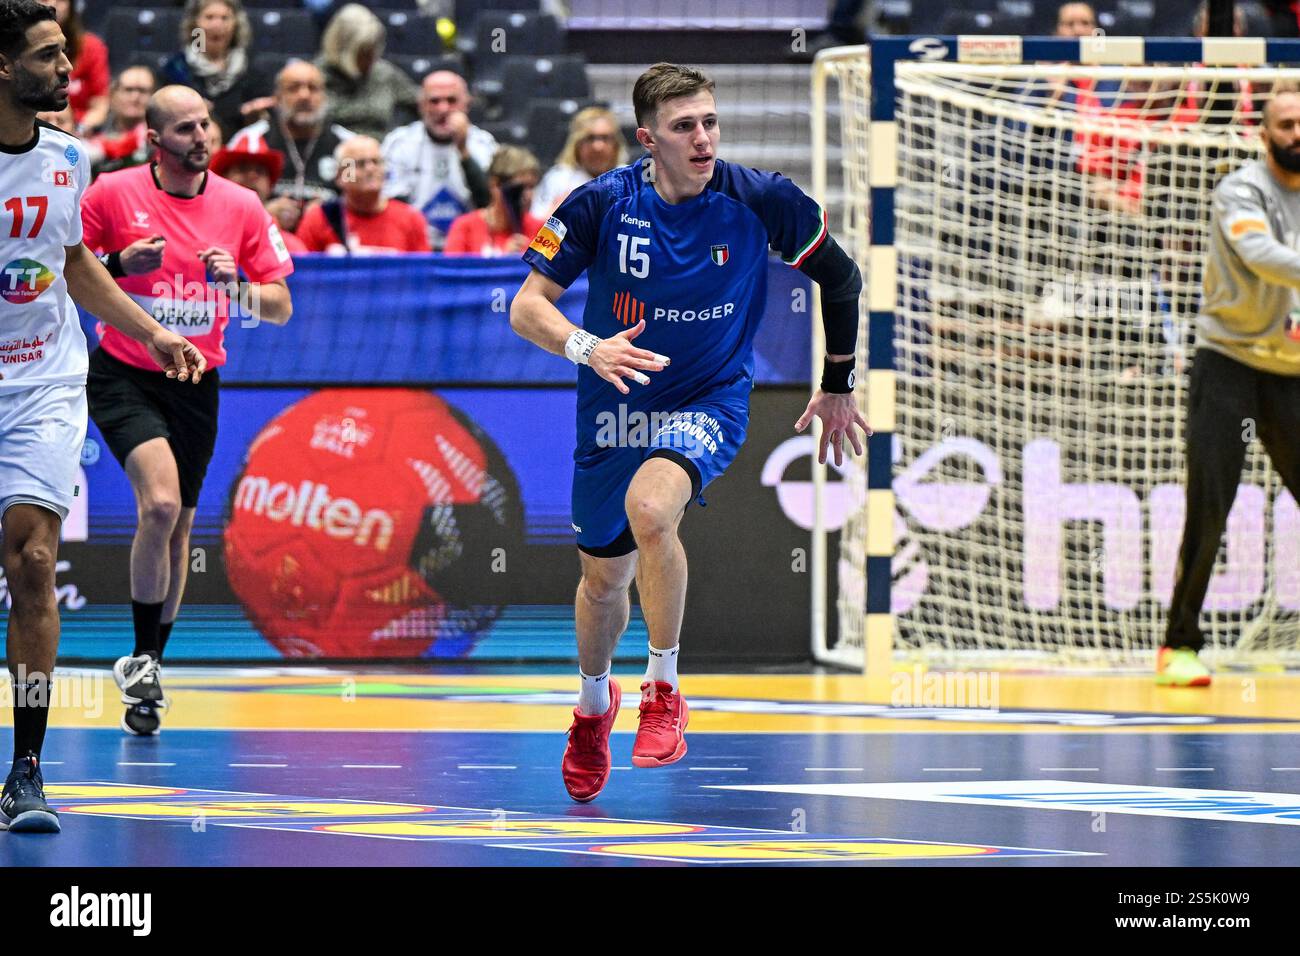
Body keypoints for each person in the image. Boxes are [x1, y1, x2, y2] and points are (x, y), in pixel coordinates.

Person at [510, 63, 869, 802]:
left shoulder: (761, 198)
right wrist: (588, 346)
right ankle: (591, 705)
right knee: (601, 582)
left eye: (709, 121)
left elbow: (842, 278)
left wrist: (837, 385)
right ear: (648, 140)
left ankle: (664, 687)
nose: (703, 138)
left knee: (652, 511)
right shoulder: (601, 203)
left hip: (709, 396)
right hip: (617, 397)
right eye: (684, 127)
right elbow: (527, 306)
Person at [0, 0, 204, 832]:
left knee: (34, 558)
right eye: (49, 57)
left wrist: (152, 331)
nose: (67, 71)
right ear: (3, 68)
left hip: (45, 382)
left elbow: (73, 262)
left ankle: (25, 769)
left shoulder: (66, 157)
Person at [81, 86, 294, 735]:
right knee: (161, 505)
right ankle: (143, 656)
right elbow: (70, 270)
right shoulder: (110, 194)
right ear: (155, 141)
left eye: (205, 124)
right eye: (184, 129)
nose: (201, 137)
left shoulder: (241, 205)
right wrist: (119, 262)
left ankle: (147, 666)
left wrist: (236, 286)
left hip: (196, 381)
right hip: (125, 373)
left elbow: (279, 306)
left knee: (177, 533)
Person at [1160, 90, 1300, 688]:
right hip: (1229, 365)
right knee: (1211, 506)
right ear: (1263, 131)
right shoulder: (1240, 190)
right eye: (1286, 123)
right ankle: (1179, 646)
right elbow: (1260, 254)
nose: (1298, 132)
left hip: (1292, 374)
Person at [228, 60, 353, 236]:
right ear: (277, 98)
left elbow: (359, 199)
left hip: (329, 246)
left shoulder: (349, 147)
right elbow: (230, 203)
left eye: (313, 88)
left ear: (324, 96)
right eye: (293, 88)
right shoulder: (251, 141)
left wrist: (329, 213)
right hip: (266, 237)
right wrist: (263, 211)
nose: (304, 95)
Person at [381, 70, 495, 250]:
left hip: (468, 250)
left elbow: (488, 202)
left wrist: (463, 149)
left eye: (451, 100)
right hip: (414, 249)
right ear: (421, 105)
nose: (443, 109)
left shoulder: (484, 144)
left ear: (466, 104)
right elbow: (391, 207)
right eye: (434, 101)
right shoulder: (399, 143)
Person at [160, 0, 273, 141]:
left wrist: (256, 117)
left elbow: (264, 120)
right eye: (209, 17)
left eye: (225, 18)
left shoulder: (252, 70)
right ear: (194, 24)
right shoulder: (176, 69)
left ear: (236, 25)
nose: (217, 25)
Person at [296, 135, 428, 253]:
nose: (370, 169)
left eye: (376, 162)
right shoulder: (319, 219)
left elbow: (424, 275)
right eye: (360, 164)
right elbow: (304, 273)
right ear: (341, 176)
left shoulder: (411, 220)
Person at [315, 3, 418, 142]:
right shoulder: (315, 77)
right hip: (336, 155)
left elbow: (424, 102)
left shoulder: (383, 72)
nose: (370, 60)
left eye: (373, 51)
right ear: (342, 49)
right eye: (363, 53)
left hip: (379, 154)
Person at [211, 137, 309, 253]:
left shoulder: (290, 247)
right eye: (242, 168)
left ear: (270, 186)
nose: (252, 176)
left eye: (260, 171)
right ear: (223, 177)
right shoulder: (204, 230)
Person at [530, 107, 626, 220]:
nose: (598, 147)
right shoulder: (559, 178)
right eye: (590, 138)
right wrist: (560, 210)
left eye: (605, 138)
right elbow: (536, 227)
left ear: (616, 144)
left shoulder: (630, 179)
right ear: (576, 143)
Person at [444, 145, 542, 256]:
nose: (528, 195)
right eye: (519, 188)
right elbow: (452, 271)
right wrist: (502, 260)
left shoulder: (541, 230)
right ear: (495, 184)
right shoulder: (465, 228)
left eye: (531, 187)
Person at [86, 65, 156, 176]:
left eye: (142, 91)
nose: (135, 97)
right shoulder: (92, 131)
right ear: (113, 95)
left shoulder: (159, 140)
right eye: (128, 90)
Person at [49, 0, 105, 133]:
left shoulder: (91, 46)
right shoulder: (19, 45)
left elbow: (99, 107)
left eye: (61, 0)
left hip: (77, 130)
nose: (53, 4)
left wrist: (76, 130)